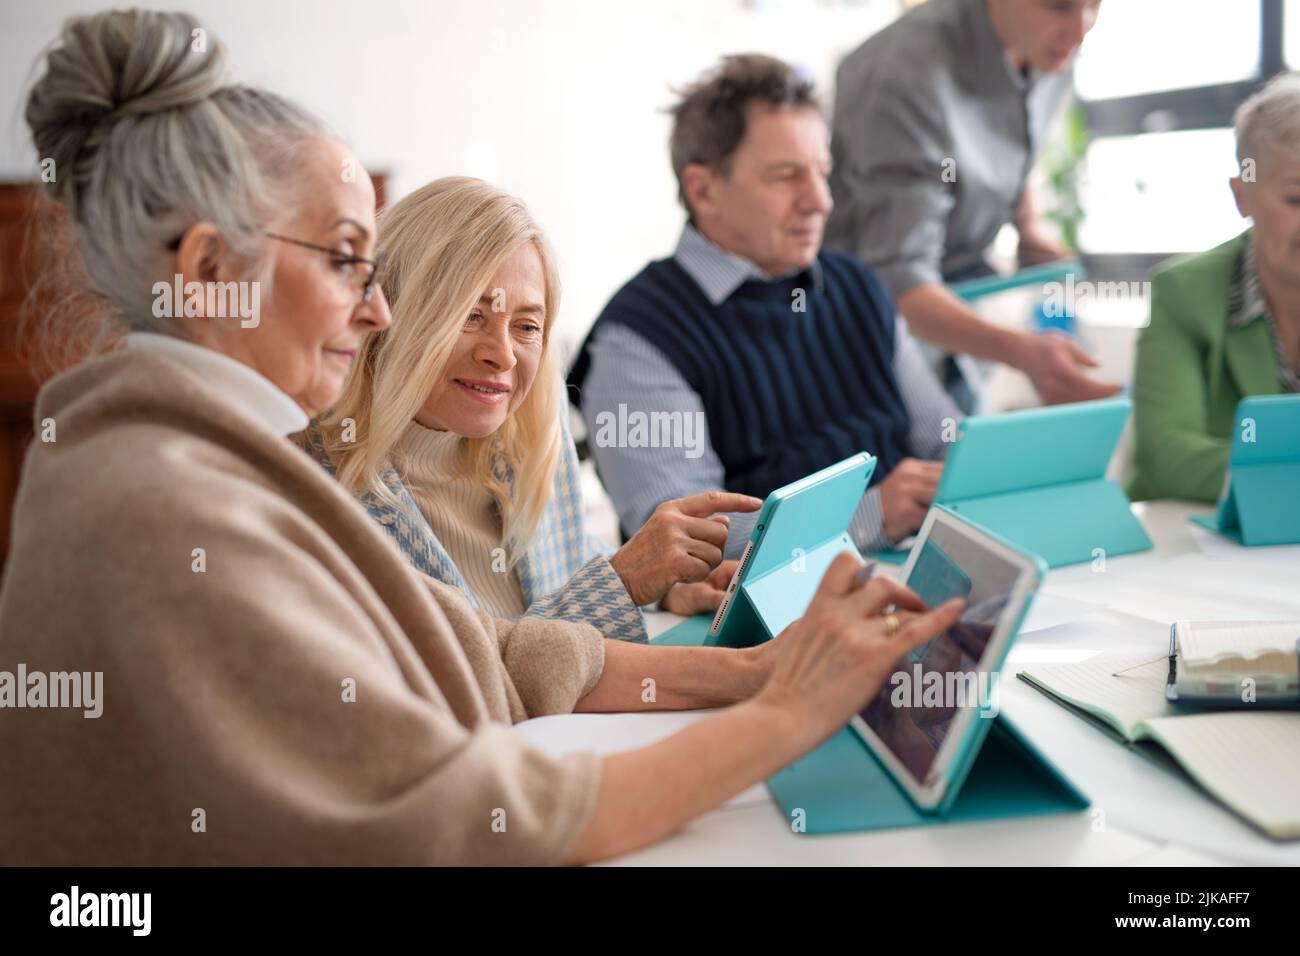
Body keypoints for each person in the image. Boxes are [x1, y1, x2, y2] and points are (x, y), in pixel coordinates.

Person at [0, 9, 964, 866]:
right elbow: (481, 818)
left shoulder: (199, 461)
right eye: (345, 261)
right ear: (212, 271)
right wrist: (791, 711)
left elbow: (484, 652)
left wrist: (760, 671)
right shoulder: (168, 509)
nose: (377, 311)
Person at [308, 177, 755, 637]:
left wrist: (661, 585)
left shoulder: (534, 419)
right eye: (470, 316)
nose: (502, 355)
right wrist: (621, 584)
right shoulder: (319, 485)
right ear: (388, 312)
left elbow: (561, 560)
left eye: (526, 326)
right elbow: (457, 665)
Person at [569, 54, 963, 560]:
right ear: (703, 190)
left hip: (903, 574)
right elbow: (685, 542)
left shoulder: (857, 286)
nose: (820, 201)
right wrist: (870, 516)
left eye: (822, 173)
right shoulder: (637, 338)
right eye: (785, 176)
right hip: (767, 609)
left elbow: (947, 443)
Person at [824, 0, 1117, 410]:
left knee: (962, 434)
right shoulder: (904, 72)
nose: (1082, 29)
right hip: (866, 321)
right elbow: (898, 275)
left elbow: (1012, 137)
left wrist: (1028, 224)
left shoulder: (1049, 46)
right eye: (1058, 5)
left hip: (958, 294)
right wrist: (1020, 352)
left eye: (1095, 4)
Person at [1129, 73, 1300, 503]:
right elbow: (1165, 455)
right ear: (1243, 197)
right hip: (1193, 536)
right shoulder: (1183, 294)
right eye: (1296, 200)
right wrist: (1285, 483)